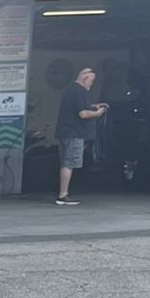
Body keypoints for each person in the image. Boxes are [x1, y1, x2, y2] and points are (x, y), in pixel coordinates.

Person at [55, 65, 107, 205]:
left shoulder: (71, 91)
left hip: (65, 132)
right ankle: (63, 194)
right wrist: (97, 113)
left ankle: (63, 193)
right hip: (74, 133)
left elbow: (80, 107)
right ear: (84, 78)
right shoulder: (79, 92)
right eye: (91, 80)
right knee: (69, 163)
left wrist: (93, 106)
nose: (92, 83)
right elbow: (82, 113)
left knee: (66, 162)